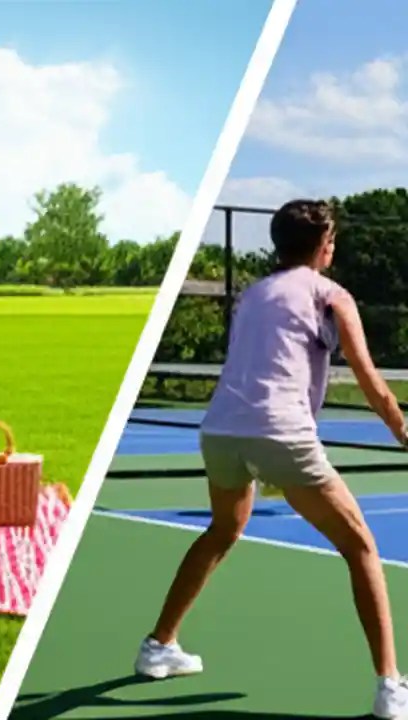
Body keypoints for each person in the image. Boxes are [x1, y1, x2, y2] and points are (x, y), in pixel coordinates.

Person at [133, 200, 408, 719]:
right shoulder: (333, 294)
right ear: (324, 245)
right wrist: (402, 429)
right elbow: (370, 379)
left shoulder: (252, 294)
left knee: (223, 528)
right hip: (279, 434)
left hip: (219, 432)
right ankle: (392, 688)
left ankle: (158, 646)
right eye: (332, 239)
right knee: (362, 548)